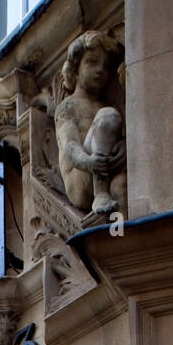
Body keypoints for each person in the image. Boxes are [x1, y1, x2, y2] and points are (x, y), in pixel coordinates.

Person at [55, 31, 127, 219]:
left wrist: (123, 149)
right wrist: (89, 162)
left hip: (106, 168)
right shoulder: (68, 106)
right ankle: (101, 192)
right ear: (76, 68)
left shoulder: (105, 105)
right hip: (81, 181)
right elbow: (70, 145)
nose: (100, 70)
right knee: (108, 115)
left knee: (122, 185)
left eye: (105, 66)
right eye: (92, 62)